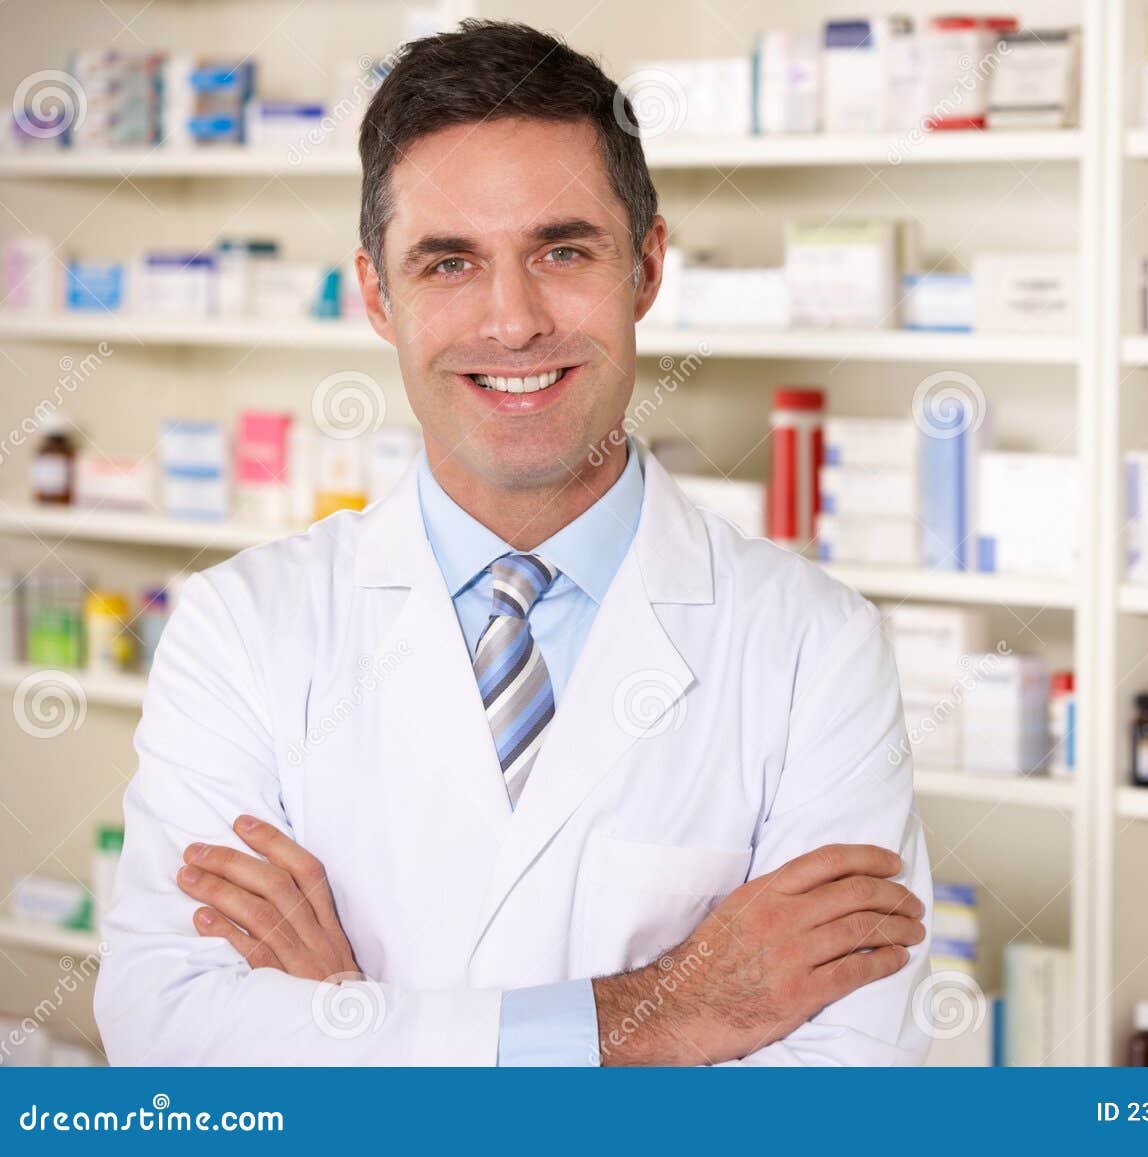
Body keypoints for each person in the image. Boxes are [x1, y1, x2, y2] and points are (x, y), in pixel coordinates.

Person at [93, 20, 931, 1066]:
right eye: (448, 262)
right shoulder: (240, 630)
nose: (513, 320)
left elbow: (841, 1084)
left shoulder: (815, 645)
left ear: (647, 267)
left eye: (562, 250)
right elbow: (168, 1033)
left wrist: (349, 1019)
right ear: (375, 295)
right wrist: (659, 1012)